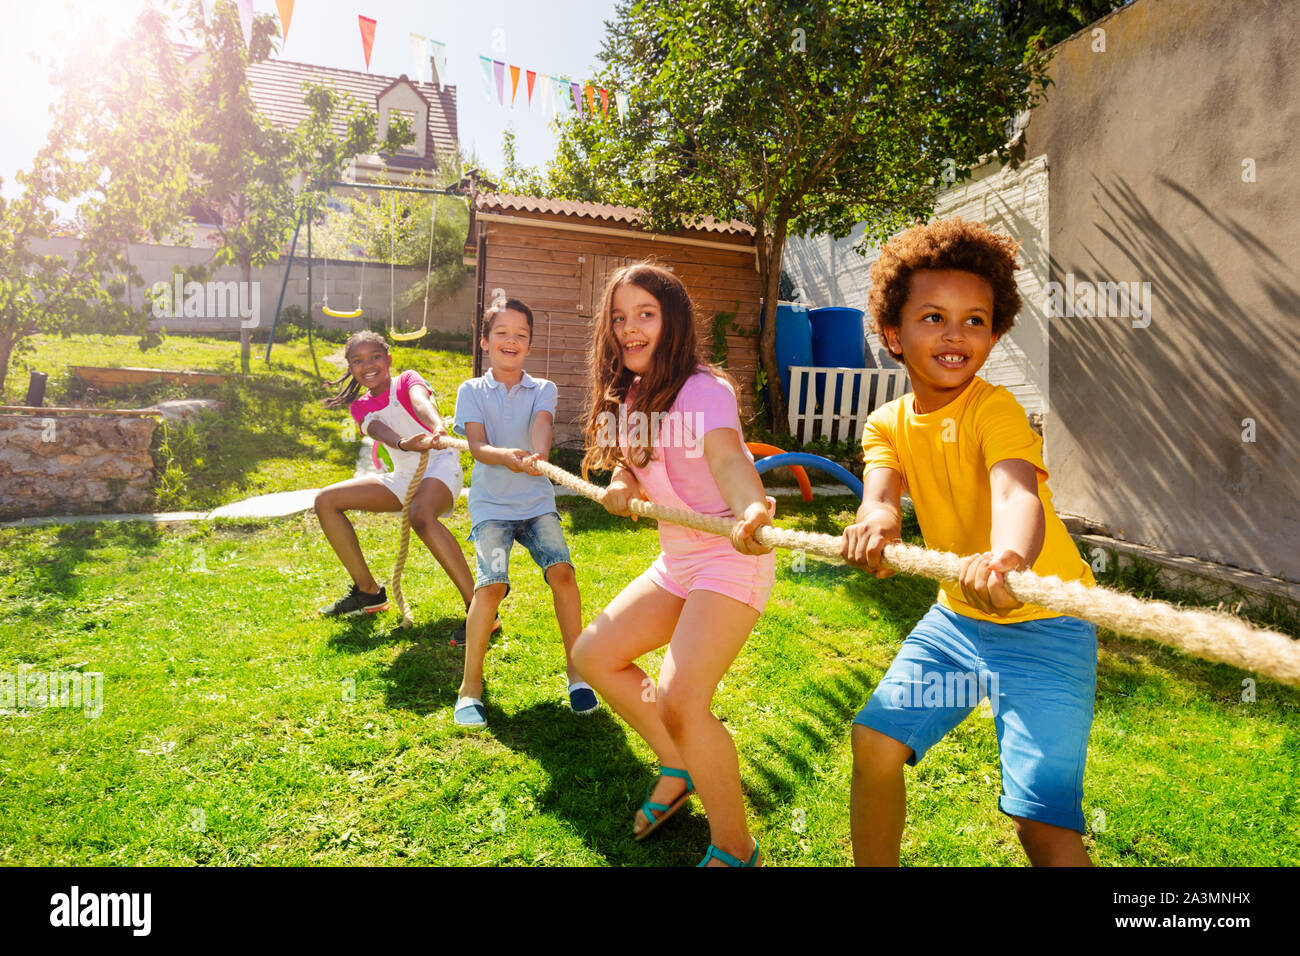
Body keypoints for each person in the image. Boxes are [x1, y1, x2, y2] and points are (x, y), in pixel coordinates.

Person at [841, 219, 1098, 866]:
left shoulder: (995, 409)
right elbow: (879, 495)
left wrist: (1008, 555)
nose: (956, 334)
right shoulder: (886, 425)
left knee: (1039, 823)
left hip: (1049, 626)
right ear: (894, 335)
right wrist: (876, 521)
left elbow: (1017, 495)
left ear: (994, 331)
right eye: (933, 317)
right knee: (874, 744)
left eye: (975, 321)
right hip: (958, 622)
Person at [571, 262, 775, 867]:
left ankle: (736, 848)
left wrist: (752, 509)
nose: (630, 328)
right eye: (619, 318)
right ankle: (678, 763)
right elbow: (633, 461)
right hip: (677, 561)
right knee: (592, 656)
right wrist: (618, 477)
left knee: (681, 699)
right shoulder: (630, 395)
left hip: (728, 560)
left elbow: (728, 456)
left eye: (646, 315)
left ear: (673, 320)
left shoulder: (705, 388)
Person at [450, 297, 594, 728]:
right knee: (490, 587)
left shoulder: (543, 388)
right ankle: (469, 689)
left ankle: (577, 674)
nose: (511, 341)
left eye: (521, 335)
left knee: (563, 572)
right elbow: (476, 446)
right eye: (502, 333)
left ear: (529, 344)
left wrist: (538, 453)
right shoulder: (471, 390)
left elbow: (542, 424)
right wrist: (506, 456)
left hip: (536, 505)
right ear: (485, 341)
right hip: (492, 508)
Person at [315, 331, 476, 626]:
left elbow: (419, 403)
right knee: (326, 500)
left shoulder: (406, 380)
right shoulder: (360, 406)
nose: (368, 365)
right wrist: (403, 444)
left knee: (421, 516)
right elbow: (377, 430)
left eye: (375, 357)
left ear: (388, 359)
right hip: (404, 474)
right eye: (358, 360)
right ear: (350, 368)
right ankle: (368, 592)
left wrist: (437, 427)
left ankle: (478, 607)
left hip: (439, 465)